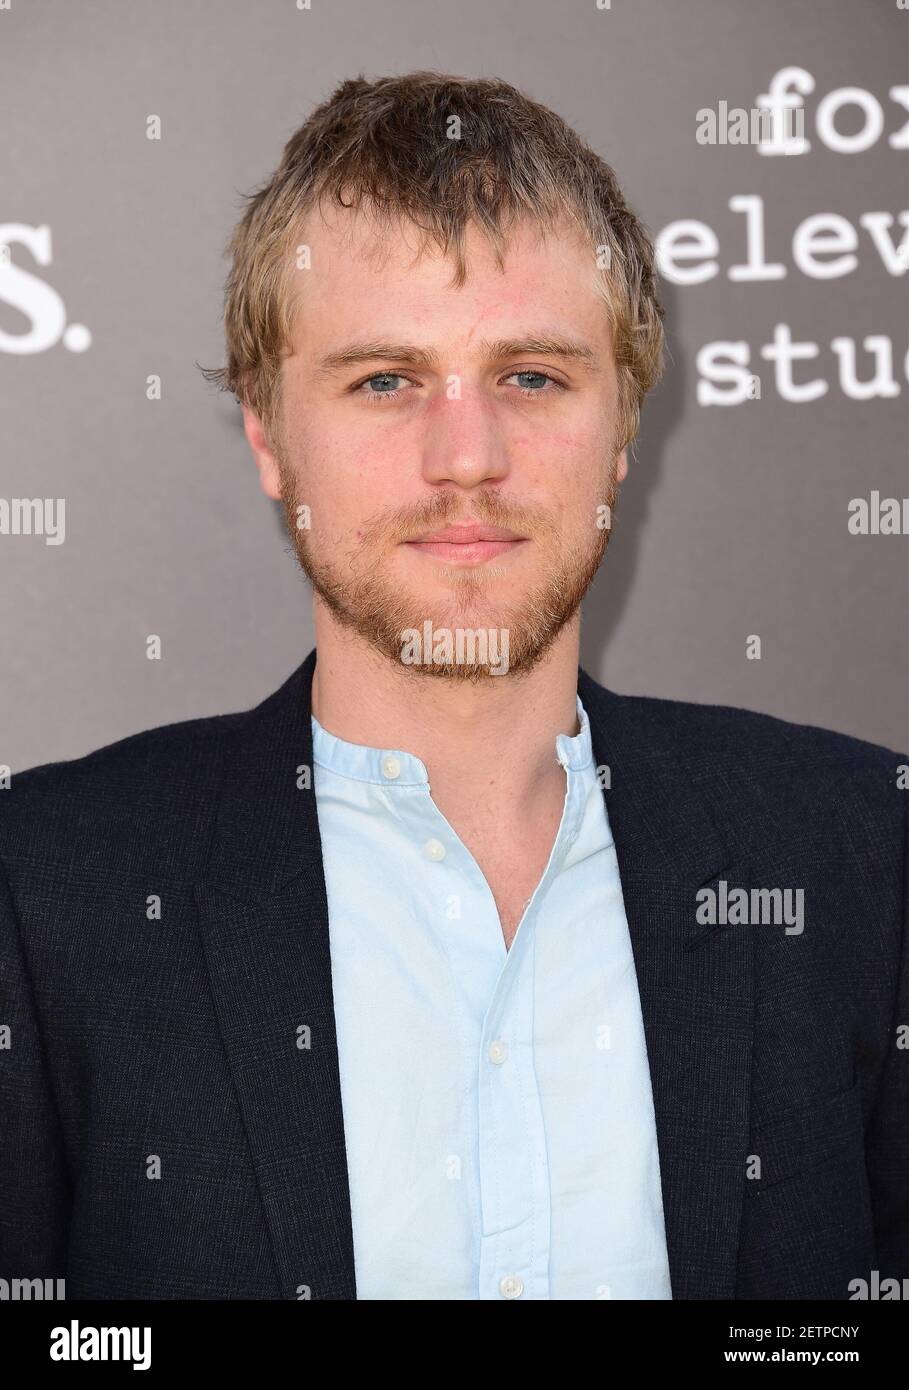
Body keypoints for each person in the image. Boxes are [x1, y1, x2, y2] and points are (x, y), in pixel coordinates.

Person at [1, 72, 905, 1301]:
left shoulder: (861, 851)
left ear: (625, 421)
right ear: (269, 435)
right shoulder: (45, 888)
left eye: (532, 376)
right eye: (386, 380)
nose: (466, 458)